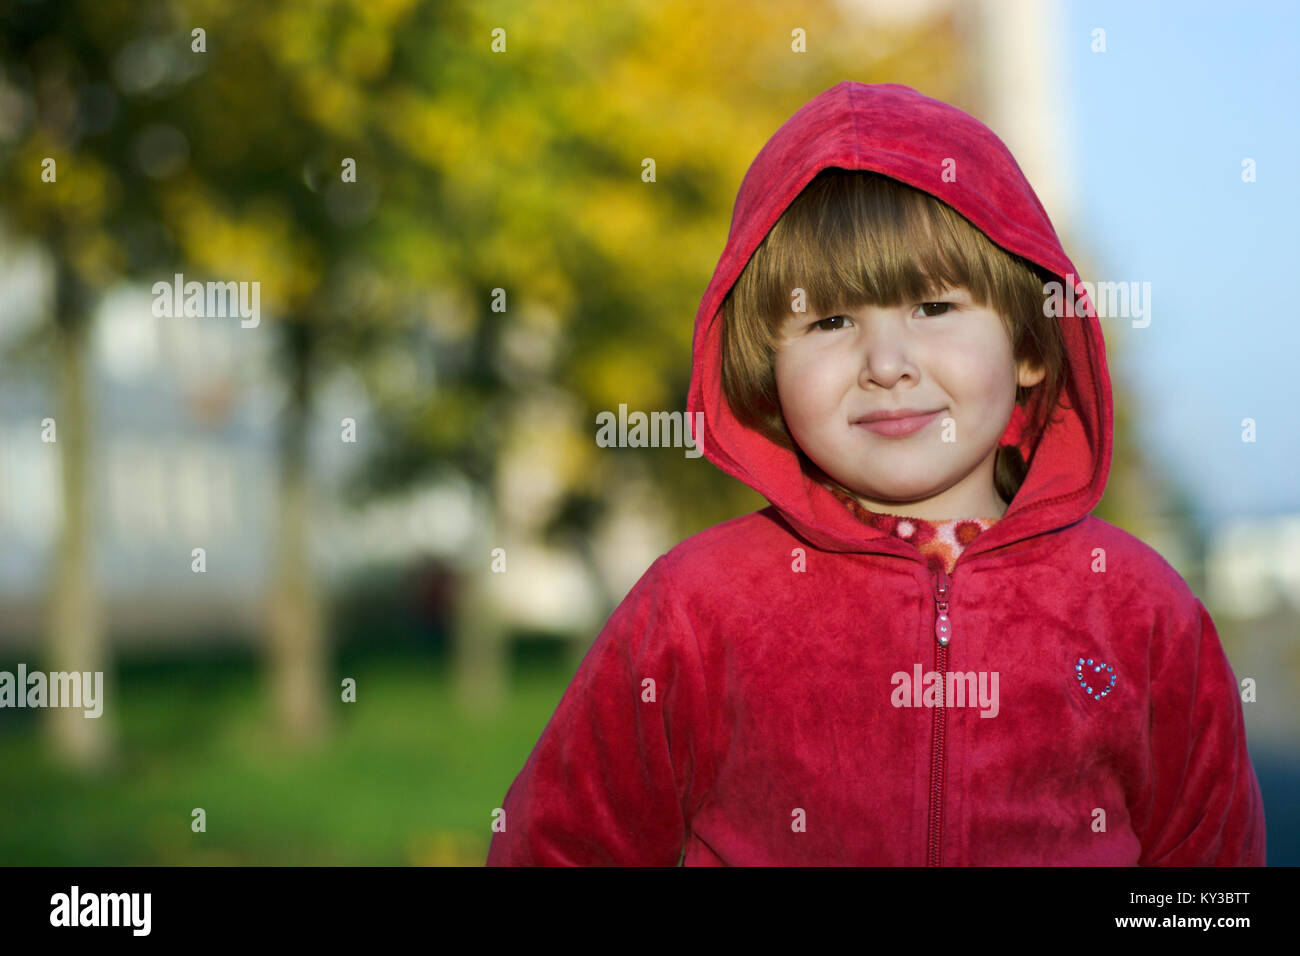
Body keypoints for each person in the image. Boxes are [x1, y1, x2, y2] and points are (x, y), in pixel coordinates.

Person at [485, 81, 1267, 866]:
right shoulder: (696, 609)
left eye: (933, 308)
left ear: (1032, 345)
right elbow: (558, 848)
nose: (887, 365)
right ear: (766, 371)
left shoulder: (1139, 610)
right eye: (829, 322)